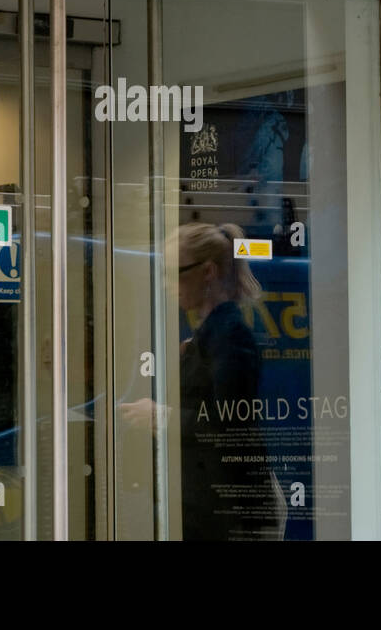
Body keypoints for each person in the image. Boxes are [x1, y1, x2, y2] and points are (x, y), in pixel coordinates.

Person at [120, 222, 284, 539]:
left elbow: (232, 423)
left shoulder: (230, 335)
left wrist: (160, 416)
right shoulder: (210, 334)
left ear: (207, 272)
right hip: (211, 509)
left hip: (226, 514)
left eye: (174, 272)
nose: (168, 284)